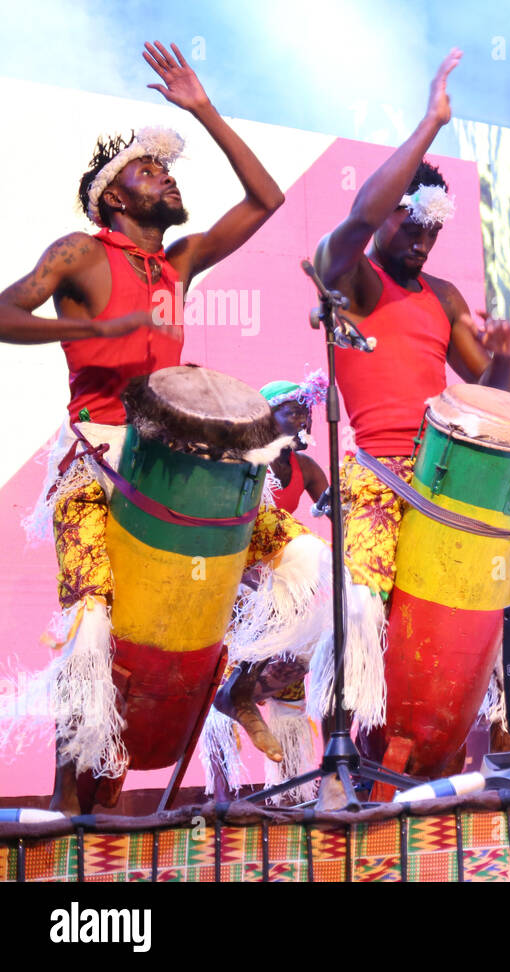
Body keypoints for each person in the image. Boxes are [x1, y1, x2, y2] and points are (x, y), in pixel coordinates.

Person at [0, 43, 325, 812]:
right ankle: (72, 822)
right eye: (150, 170)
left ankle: (240, 691)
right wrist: (91, 326)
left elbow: (268, 199)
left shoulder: (178, 263)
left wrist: (202, 109)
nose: (167, 177)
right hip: (99, 465)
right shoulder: (79, 253)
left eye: (166, 168)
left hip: (184, 471)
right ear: (112, 196)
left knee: (309, 569)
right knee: (91, 636)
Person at [302, 48, 510, 770]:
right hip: (375, 481)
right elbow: (362, 215)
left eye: (431, 233)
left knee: (454, 620)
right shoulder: (354, 279)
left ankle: (434, 759)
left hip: (441, 479)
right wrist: (431, 124)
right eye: (411, 227)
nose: (421, 243)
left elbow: (491, 394)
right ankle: (348, 765)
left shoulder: (444, 298)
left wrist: (507, 354)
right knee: (361, 615)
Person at [261, 373, 330, 514]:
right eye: (295, 414)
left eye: (307, 414)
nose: (306, 422)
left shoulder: (306, 467)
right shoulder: (247, 464)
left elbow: (339, 518)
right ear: (267, 419)